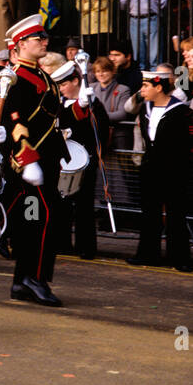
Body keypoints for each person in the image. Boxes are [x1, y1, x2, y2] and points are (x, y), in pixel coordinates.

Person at [0, 15, 67, 307]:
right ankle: (34, 278)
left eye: (44, 38)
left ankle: (22, 280)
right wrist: (27, 160)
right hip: (30, 165)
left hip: (46, 159)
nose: (44, 42)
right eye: (38, 39)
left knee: (34, 220)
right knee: (40, 220)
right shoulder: (14, 77)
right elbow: (15, 120)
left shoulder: (41, 74)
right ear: (20, 45)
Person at [127, 68, 193, 271]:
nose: (142, 90)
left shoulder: (183, 112)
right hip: (151, 167)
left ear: (159, 88)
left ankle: (180, 258)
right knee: (149, 212)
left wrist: (185, 167)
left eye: (145, 86)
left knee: (176, 214)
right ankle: (147, 254)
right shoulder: (145, 109)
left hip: (175, 170)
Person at [50, 60, 109, 260]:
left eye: (64, 84)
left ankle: (86, 247)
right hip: (63, 159)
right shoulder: (59, 104)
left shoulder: (92, 103)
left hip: (85, 158)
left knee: (84, 205)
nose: (61, 89)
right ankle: (61, 242)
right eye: (59, 85)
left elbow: (100, 130)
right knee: (61, 203)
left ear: (76, 81)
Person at [119, 0, 168, 69]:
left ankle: (156, 80)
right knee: (137, 55)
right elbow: (122, 4)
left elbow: (163, 3)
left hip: (152, 19)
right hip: (134, 20)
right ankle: (140, 81)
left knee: (154, 55)